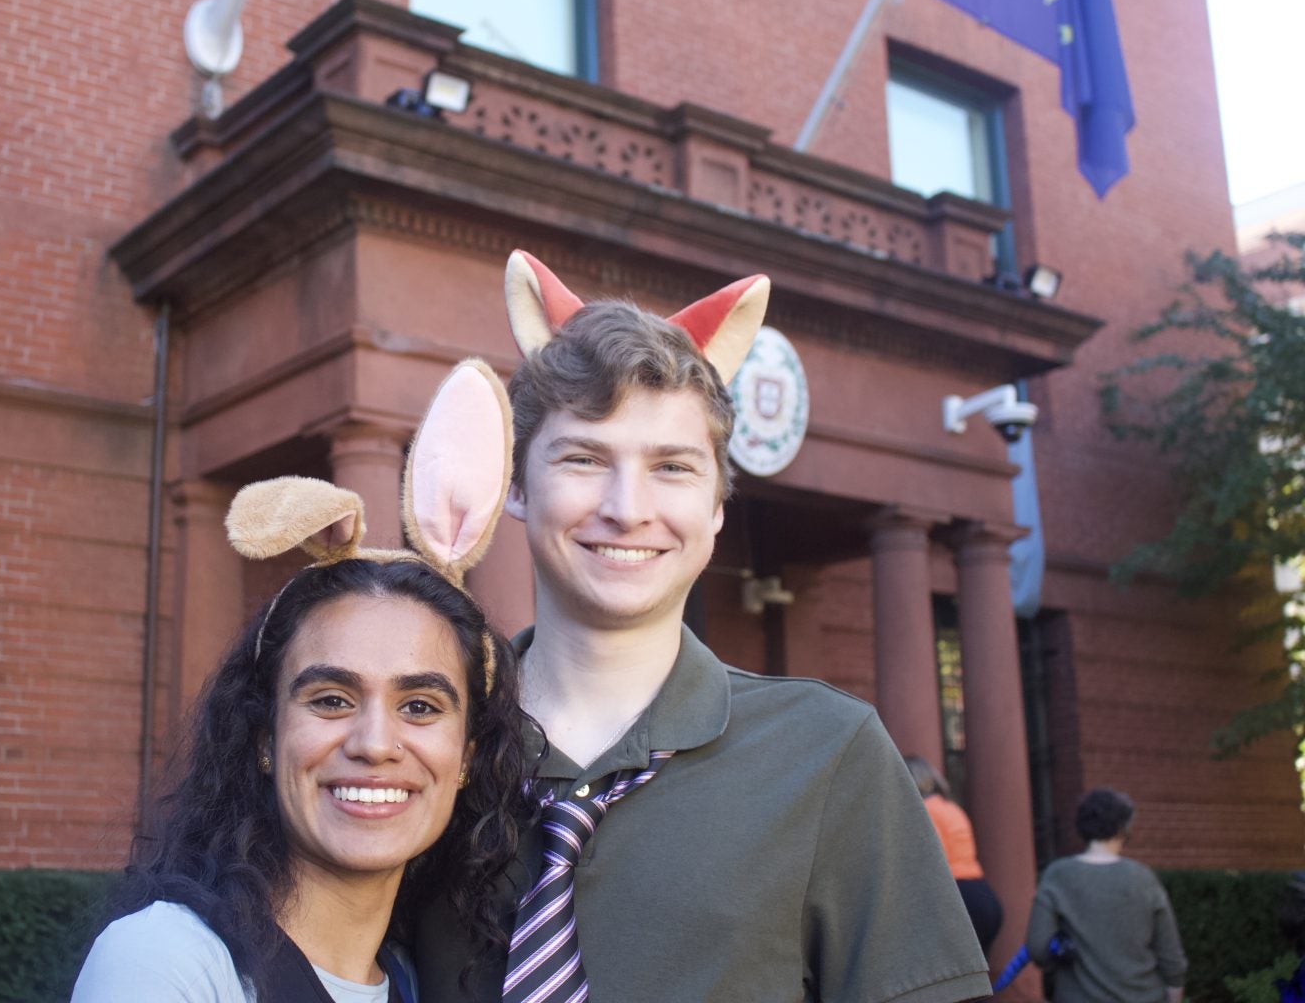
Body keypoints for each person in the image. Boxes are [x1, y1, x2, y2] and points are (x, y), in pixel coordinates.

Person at [412, 251, 992, 1002]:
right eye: (585, 458)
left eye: (673, 468)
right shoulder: (425, 744)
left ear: (718, 506)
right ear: (516, 485)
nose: (627, 506)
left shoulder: (829, 753)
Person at [74, 361, 532, 1003]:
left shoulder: (415, 980)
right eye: (332, 699)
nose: (376, 743)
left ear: (467, 759)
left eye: (421, 705)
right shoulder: (169, 962)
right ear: (264, 736)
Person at [1027, 787, 1187, 1003]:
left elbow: (1037, 948)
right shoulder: (1143, 878)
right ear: (1123, 828)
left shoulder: (1058, 875)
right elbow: (1171, 957)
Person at [906, 755, 1004, 954]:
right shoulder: (950, 808)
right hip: (982, 895)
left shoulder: (924, 811)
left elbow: (931, 864)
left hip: (958, 899)